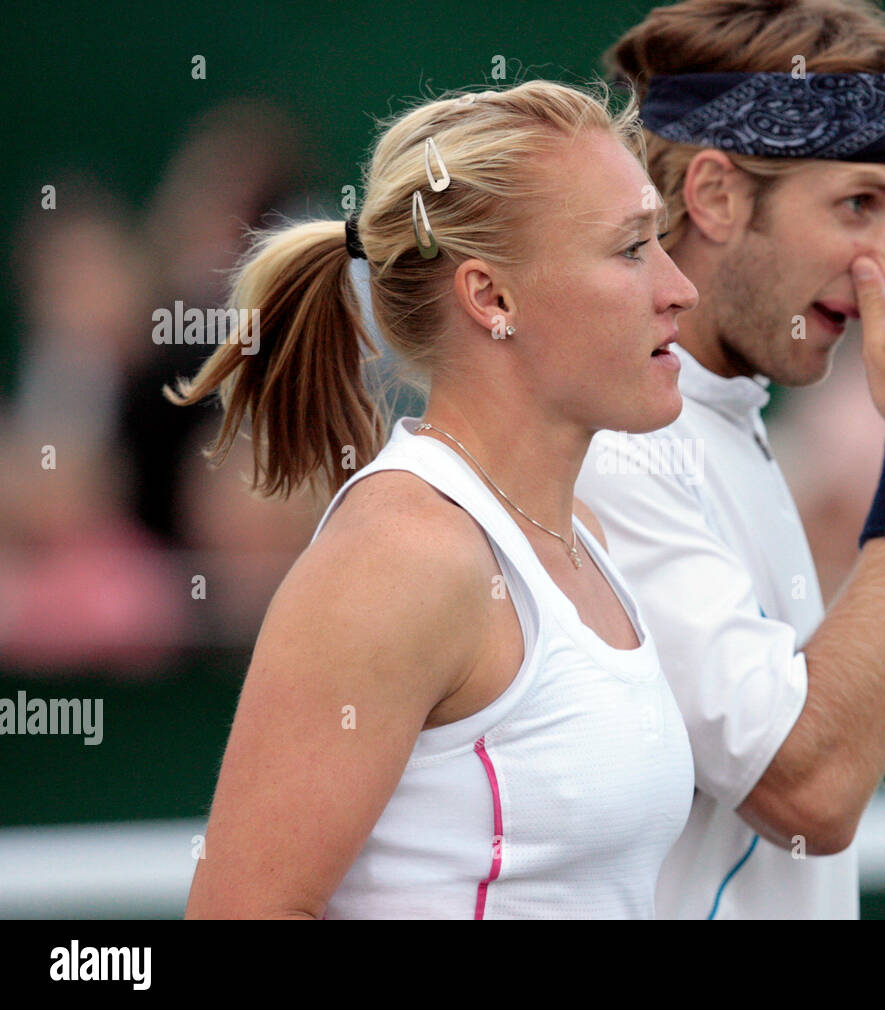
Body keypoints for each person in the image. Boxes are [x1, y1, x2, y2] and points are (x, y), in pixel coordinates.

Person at [174, 80, 700, 919]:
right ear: (492, 298)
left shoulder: (579, 537)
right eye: (632, 250)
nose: (680, 289)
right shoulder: (404, 558)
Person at [575, 0, 885, 918]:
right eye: (858, 205)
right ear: (715, 195)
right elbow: (811, 789)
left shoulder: (716, 421)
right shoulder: (615, 445)